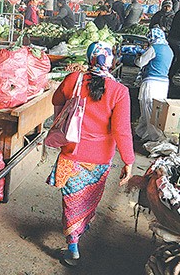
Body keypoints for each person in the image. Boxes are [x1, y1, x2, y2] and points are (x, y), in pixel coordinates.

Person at [49, 42, 135, 266]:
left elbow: (56, 100)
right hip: (100, 158)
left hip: (71, 153)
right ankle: (79, 234)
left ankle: (73, 246)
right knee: (88, 199)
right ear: (111, 60)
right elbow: (121, 130)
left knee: (71, 201)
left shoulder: (73, 80)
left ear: (90, 59)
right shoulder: (119, 92)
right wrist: (129, 161)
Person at [134, 28, 173, 142]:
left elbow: (140, 62)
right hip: (163, 84)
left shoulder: (155, 48)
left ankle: (155, 139)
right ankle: (140, 133)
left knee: (149, 111)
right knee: (152, 111)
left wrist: (137, 57)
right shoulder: (169, 49)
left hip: (152, 83)